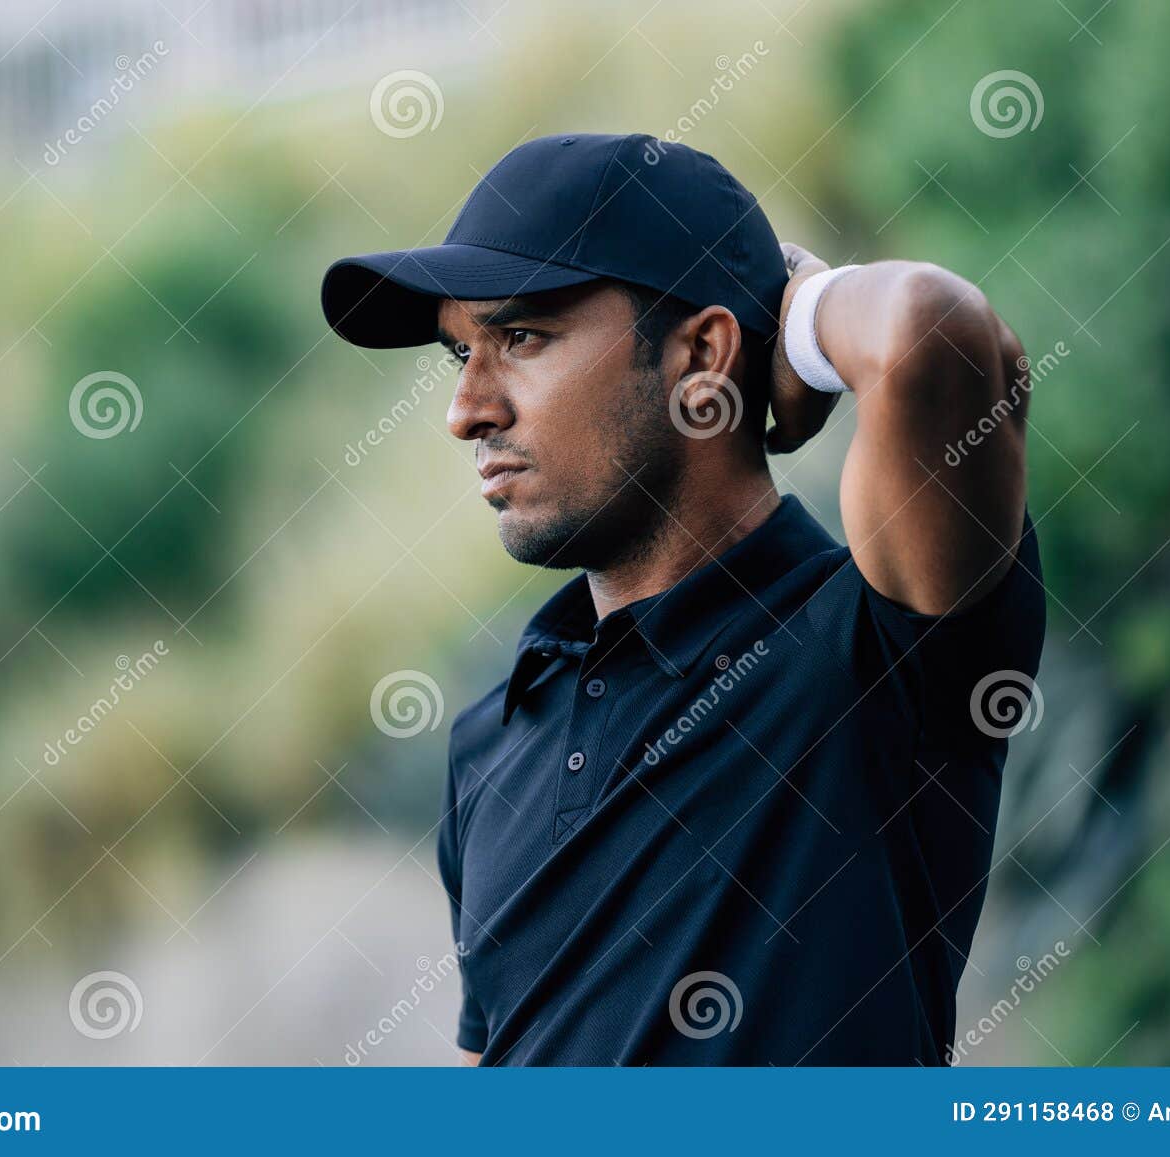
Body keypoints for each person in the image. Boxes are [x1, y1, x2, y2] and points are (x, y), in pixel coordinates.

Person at [320, 131, 1044, 1065]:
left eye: (521, 337)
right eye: (458, 352)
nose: (467, 408)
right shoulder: (492, 740)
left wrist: (806, 308)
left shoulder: (876, 647)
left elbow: (933, 336)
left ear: (701, 353)